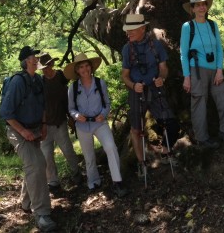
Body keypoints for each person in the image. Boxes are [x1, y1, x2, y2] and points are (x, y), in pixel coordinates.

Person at [0, 45, 55, 231]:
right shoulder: (18, 82)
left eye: (36, 57)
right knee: (37, 164)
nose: (36, 59)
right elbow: (6, 113)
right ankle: (42, 214)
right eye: (33, 57)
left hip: (35, 130)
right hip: (18, 131)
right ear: (25, 62)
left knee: (35, 165)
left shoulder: (37, 80)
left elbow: (44, 105)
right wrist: (23, 132)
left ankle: (26, 203)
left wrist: (44, 125)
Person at [121, 13, 181, 174]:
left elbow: (164, 68)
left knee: (171, 123)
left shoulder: (156, 45)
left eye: (132, 30)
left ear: (142, 28)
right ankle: (142, 163)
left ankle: (165, 152)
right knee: (136, 129)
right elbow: (124, 75)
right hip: (137, 91)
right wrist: (133, 86)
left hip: (155, 89)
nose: (128, 33)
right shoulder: (127, 49)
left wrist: (162, 78)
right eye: (127, 30)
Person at [65, 52, 130, 198]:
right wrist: (76, 116)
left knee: (111, 147)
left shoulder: (100, 83)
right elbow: (71, 109)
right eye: (81, 67)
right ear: (77, 70)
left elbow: (107, 104)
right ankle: (93, 182)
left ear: (91, 67)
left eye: (87, 65)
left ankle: (117, 182)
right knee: (88, 156)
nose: (85, 69)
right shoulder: (73, 88)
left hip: (100, 123)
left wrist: (104, 114)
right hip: (82, 126)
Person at [180, 0, 224, 149]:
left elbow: (219, 49)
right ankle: (202, 139)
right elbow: (183, 53)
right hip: (197, 70)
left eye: (204, 4)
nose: (201, 7)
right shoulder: (187, 27)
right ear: (192, 9)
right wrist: (186, 77)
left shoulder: (212, 25)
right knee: (199, 103)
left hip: (215, 70)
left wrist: (219, 70)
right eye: (197, 5)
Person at [37, 52, 82, 192]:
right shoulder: (40, 82)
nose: (46, 70)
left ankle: (77, 173)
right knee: (47, 156)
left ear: (52, 64)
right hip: (45, 126)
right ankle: (53, 182)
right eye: (43, 68)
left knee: (68, 151)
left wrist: (71, 117)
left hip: (60, 122)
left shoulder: (61, 77)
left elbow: (68, 98)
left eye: (48, 66)